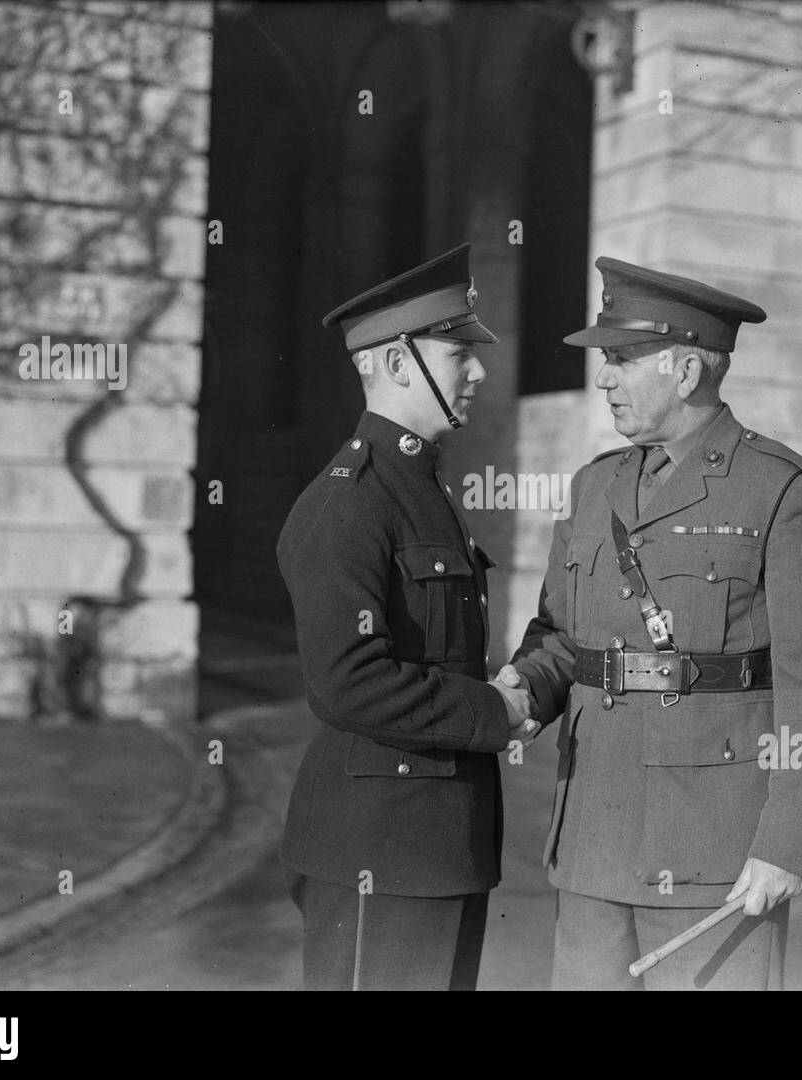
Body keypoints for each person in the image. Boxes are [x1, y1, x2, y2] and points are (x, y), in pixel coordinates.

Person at [499, 256, 802, 990]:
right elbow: (560, 637)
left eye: (621, 359)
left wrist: (788, 844)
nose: (603, 378)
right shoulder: (592, 485)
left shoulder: (785, 492)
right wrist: (521, 693)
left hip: (715, 852)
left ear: (686, 371)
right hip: (593, 835)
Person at [276, 244, 536, 991]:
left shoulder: (423, 489)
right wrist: (492, 709)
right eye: (459, 354)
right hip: (375, 853)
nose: (479, 371)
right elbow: (347, 683)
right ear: (394, 365)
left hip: (439, 848)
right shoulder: (346, 503)